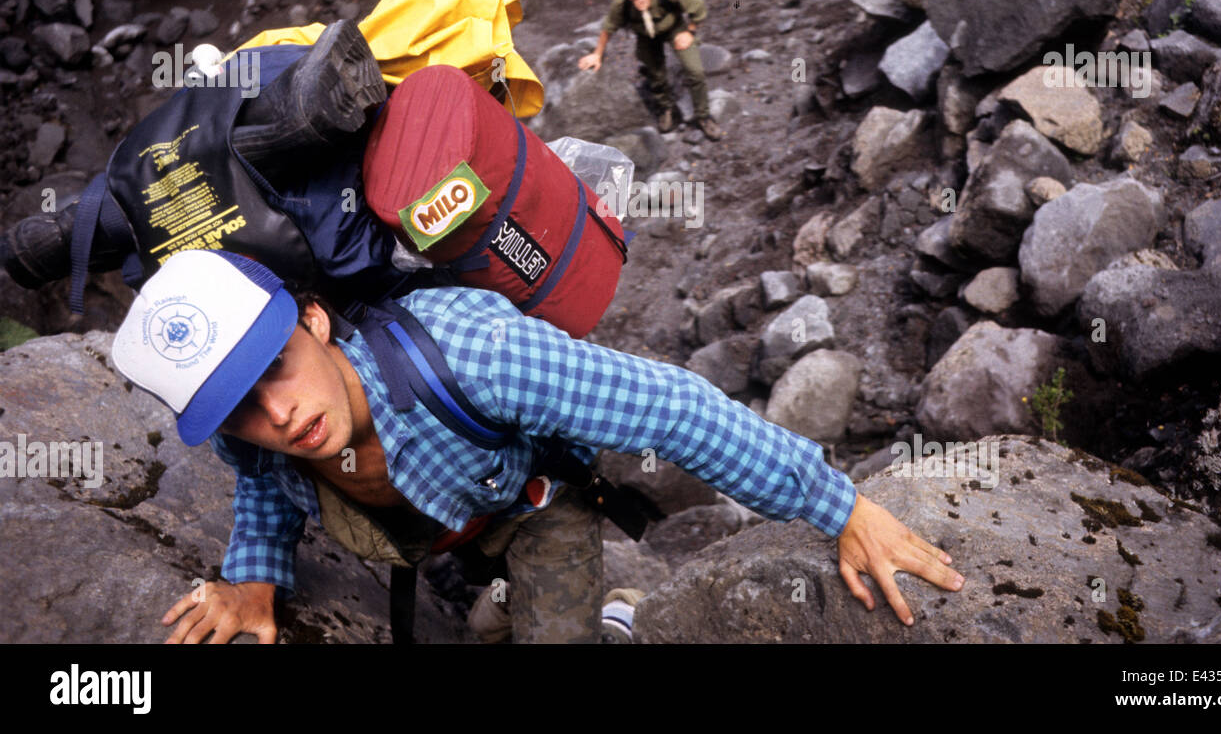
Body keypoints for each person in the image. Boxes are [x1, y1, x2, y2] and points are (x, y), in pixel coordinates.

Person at [111, 250, 964, 644]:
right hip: (431, 533)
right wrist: (253, 583)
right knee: (482, 611)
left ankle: (614, 611)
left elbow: (671, 407)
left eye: (279, 370)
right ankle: (493, 605)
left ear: (313, 318)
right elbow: (261, 486)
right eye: (241, 410)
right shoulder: (253, 432)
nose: (281, 416)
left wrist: (842, 505)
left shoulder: (473, 353)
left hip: (531, 509)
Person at [578, 0, 723, 141]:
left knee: (695, 71)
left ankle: (703, 117)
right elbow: (607, 29)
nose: (641, 0)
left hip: (674, 29)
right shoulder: (621, 4)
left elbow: (698, 6)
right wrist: (597, 54)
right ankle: (666, 108)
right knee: (655, 72)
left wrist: (689, 32)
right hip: (646, 35)